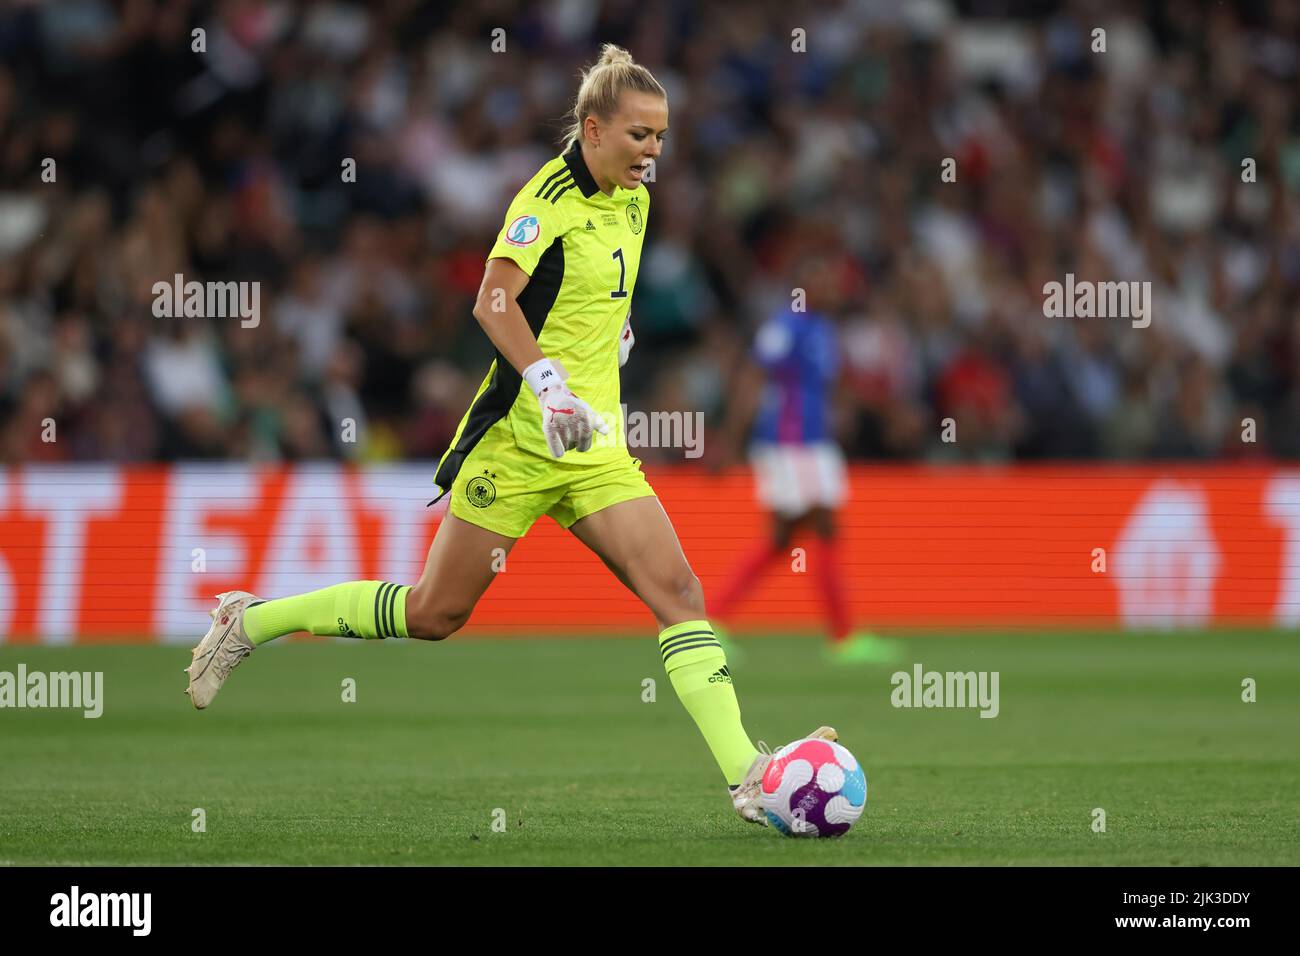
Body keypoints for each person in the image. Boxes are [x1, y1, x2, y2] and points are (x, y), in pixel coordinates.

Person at [184, 44, 833, 825]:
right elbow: (494, 304)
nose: (653, 153)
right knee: (434, 615)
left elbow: (599, 292)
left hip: (592, 449)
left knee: (680, 594)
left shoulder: (634, 199)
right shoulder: (544, 198)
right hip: (522, 442)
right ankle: (251, 621)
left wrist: (611, 339)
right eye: (638, 137)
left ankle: (749, 776)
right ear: (593, 130)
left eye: (661, 137)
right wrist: (550, 384)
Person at [712, 263, 901, 664]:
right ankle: (843, 636)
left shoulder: (821, 329)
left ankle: (713, 621)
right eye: (826, 279)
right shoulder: (786, 326)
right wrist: (729, 440)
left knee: (784, 538)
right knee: (823, 526)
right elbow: (752, 377)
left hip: (813, 442)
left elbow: (828, 385)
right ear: (804, 284)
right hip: (789, 443)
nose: (835, 288)